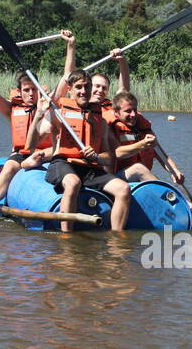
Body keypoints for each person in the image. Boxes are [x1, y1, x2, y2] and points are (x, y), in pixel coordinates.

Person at [0, 30, 76, 215]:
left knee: (48, 156)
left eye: (34, 90)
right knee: (10, 166)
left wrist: (70, 45)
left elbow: (67, 77)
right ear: (19, 92)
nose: (30, 94)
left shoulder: (49, 102)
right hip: (23, 154)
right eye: (26, 90)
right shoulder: (12, 109)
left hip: (48, 154)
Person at [46, 70, 132, 232]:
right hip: (64, 164)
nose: (83, 91)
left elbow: (108, 158)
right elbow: (40, 131)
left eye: (87, 87)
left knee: (123, 189)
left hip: (90, 168)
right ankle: (67, 236)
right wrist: (39, 113)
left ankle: (117, 238)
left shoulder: (101, 120)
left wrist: (97, 157)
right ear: (70, 90)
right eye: (78, 87)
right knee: (73, 182)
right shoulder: (59, 113)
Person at [108, 91, 185, 187]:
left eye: (135, 110)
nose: (133, 114)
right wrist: (143, 144)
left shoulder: (143, 127)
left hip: (139, 178)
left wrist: (175, 171)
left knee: (153, 179)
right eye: (128, 111)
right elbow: (117, 153)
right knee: (138, 169)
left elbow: (162, 156)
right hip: (117, 179)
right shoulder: (109, 128)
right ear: (116, 112)